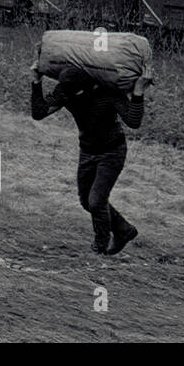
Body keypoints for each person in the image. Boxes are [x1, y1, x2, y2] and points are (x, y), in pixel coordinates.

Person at [31, 63, 150, 255]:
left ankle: (100, 245)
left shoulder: (107, 91)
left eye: (78, 94)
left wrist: (138, 92)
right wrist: (36, 82)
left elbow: (133, 121)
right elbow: (39, 112)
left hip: (112, 151)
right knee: (87, 201)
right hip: (87, 150)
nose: (75, 99)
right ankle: (124, 230)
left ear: (88, 87)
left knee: (96, 201)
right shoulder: (66, 90)